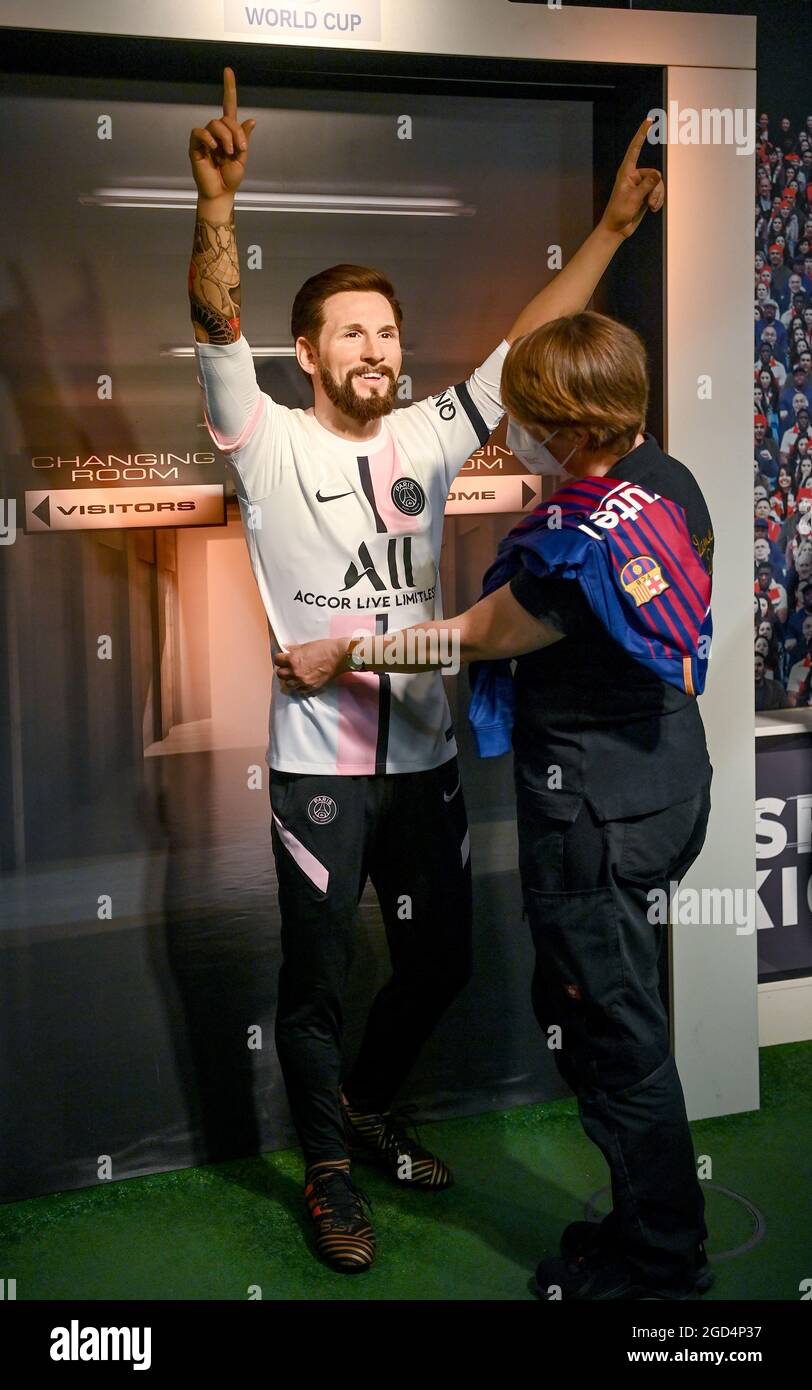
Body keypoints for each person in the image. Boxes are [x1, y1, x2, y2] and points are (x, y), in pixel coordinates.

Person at [187, 67, 666, 1274]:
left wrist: (610, 229)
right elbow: (211, 321)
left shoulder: (429, 436)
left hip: (428, 753)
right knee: (315, 980)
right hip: (318, 765)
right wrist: (216, 207)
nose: (376, 348)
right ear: (303, 354)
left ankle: (361, 1110)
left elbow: (523, 338)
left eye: (388, 332)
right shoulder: (262, 433)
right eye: (351, 331)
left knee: (440, 957)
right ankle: (333, 1176)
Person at [277, 309, 716, 1302]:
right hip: (660, 790)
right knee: (617, 1015)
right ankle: (647, 1225)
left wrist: (340, 650)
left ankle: (657, 1267)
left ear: (564, 426)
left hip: (595, 818)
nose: (510, 436)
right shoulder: (666, 482)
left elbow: (470, 637)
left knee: (613, 1035)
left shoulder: (578, 541)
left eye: (526, 421)